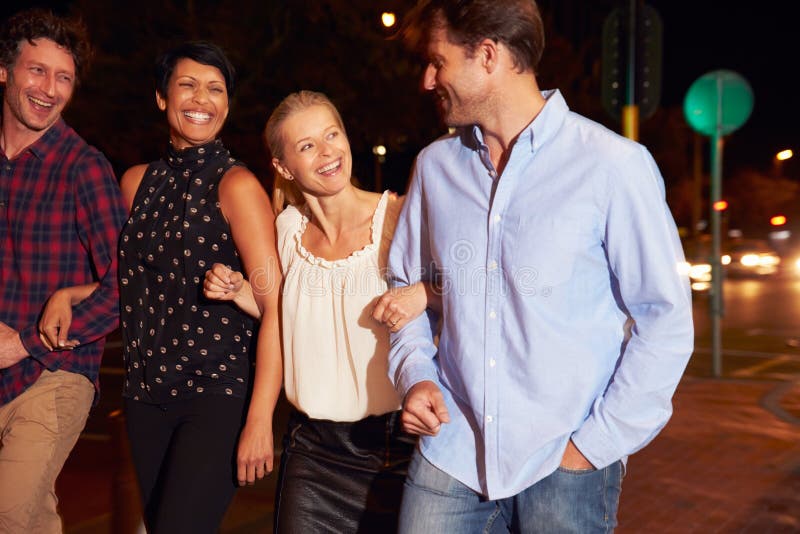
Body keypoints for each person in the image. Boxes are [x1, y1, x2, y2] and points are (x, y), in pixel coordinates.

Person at [387, 1, 695, 532]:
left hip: (565, 459)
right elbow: (406, 285)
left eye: (437, 61)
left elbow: (665, 321)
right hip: (453, 449)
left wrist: (593, 446)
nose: (427, 79)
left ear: (487, 55)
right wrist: (416, 375)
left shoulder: (612, 166)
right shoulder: (434, 167)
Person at [47, 41, 283, 533]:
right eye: (188, 85)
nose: (202, 99)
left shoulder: (238, 186)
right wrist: (67, 296)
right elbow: (124, 283)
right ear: (162, 97)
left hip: (216, 394)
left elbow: (276, 305)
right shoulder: (134, 183)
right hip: (144, 395)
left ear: (227, 105)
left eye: (216, 89)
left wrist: (260, 419)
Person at [203, 90, 435, 532]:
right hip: (313, 450)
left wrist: (423, 290)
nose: (327, 151)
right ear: (284, 167)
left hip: (398, 447)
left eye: (333, 135)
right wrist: (238, 291)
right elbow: (290, 310)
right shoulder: (287, 230)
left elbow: (461, 288)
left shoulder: (397, 216)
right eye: (307, 145)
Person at [0, 8, 127, 533]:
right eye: (37, 70)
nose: (49, 88)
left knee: (7, 511)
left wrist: (25, 343)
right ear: (4, 70)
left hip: (53, 374)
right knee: (29, 520)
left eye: (64, 77)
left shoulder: (84, 168)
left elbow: (129, 285)